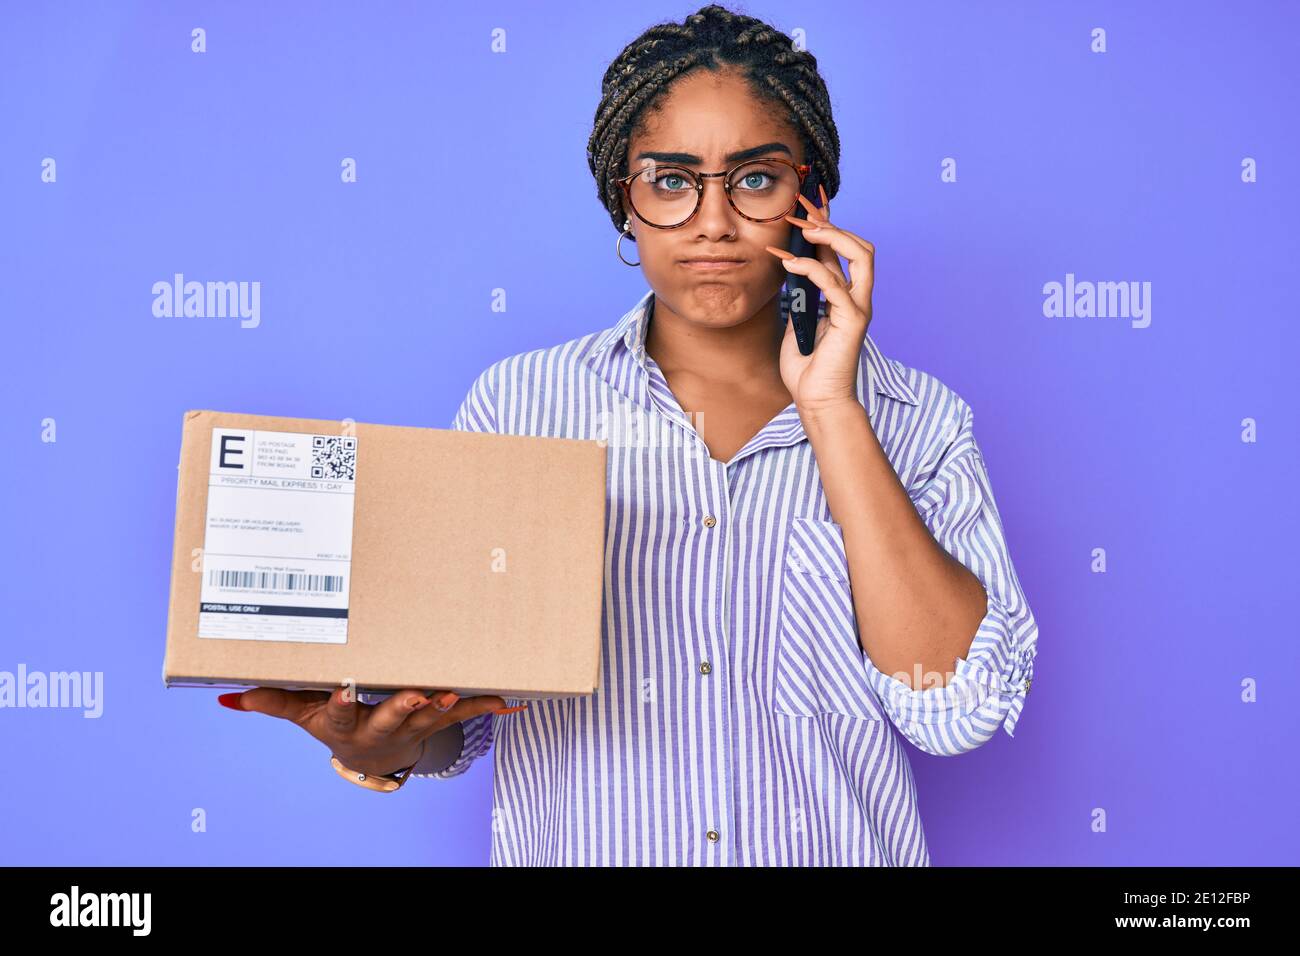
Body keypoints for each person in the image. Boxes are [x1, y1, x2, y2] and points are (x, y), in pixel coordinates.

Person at [220, 3, 1039, 865]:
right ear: (626, 201)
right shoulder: (520, 406)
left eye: (755, 179)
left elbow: (958, 711)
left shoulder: (922, 421)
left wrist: (832, 409)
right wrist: (378, 750)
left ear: (812, 197)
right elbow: (456, 712)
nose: (714, 220)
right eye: (672, 179)